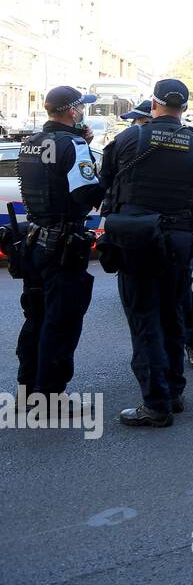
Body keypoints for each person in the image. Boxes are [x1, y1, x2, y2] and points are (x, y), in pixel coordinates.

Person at [100, 79, 193, 426]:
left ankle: (156, 405)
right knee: (172, 317)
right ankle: (174, 393)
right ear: (183, 108)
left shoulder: (128, 138)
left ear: (153, 104)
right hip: (179, 239)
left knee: (145, 321)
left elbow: (104, 178)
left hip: (137, 238)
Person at [13, 86, 105, 400]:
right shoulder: (75, 144)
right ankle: (50, 395)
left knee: (36, 315)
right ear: (72, 111)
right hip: (63, 246)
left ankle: (27, 388)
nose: (84, 113)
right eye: (82, 108)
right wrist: (92, 162)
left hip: (33, 240)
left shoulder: (31, 143)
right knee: (62, 321)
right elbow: (85, 194)